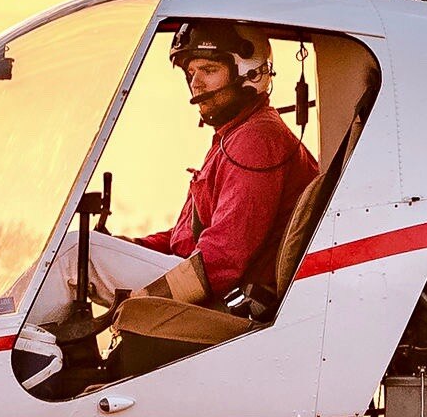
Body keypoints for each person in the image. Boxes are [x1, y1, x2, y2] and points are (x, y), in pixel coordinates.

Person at [111, 20, 318, 316]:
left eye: (208, 71)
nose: (196, 83)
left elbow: (223, 257)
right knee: (85, 250)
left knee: (68, 254)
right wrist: (128, 247)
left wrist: (146, 299)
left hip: (227, 297)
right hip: (205, 277)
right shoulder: (232, 136)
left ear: (252, 73)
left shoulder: (255, 140)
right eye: (191, 73)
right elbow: (183, 240)